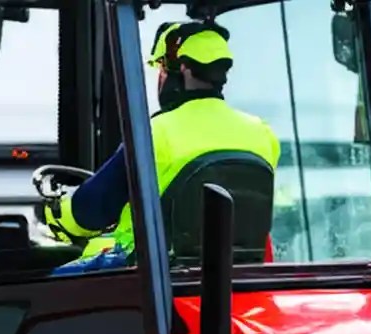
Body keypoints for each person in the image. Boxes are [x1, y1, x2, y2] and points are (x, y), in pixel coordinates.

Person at [41, 20, 281, 275]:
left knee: (43, 288)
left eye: (162, 69)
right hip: (236, 275)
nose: (160, 78)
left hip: (149, 274)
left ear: (183, 70)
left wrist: (56, 212)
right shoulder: (262, 133)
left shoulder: (154, 133)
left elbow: (90, 213)